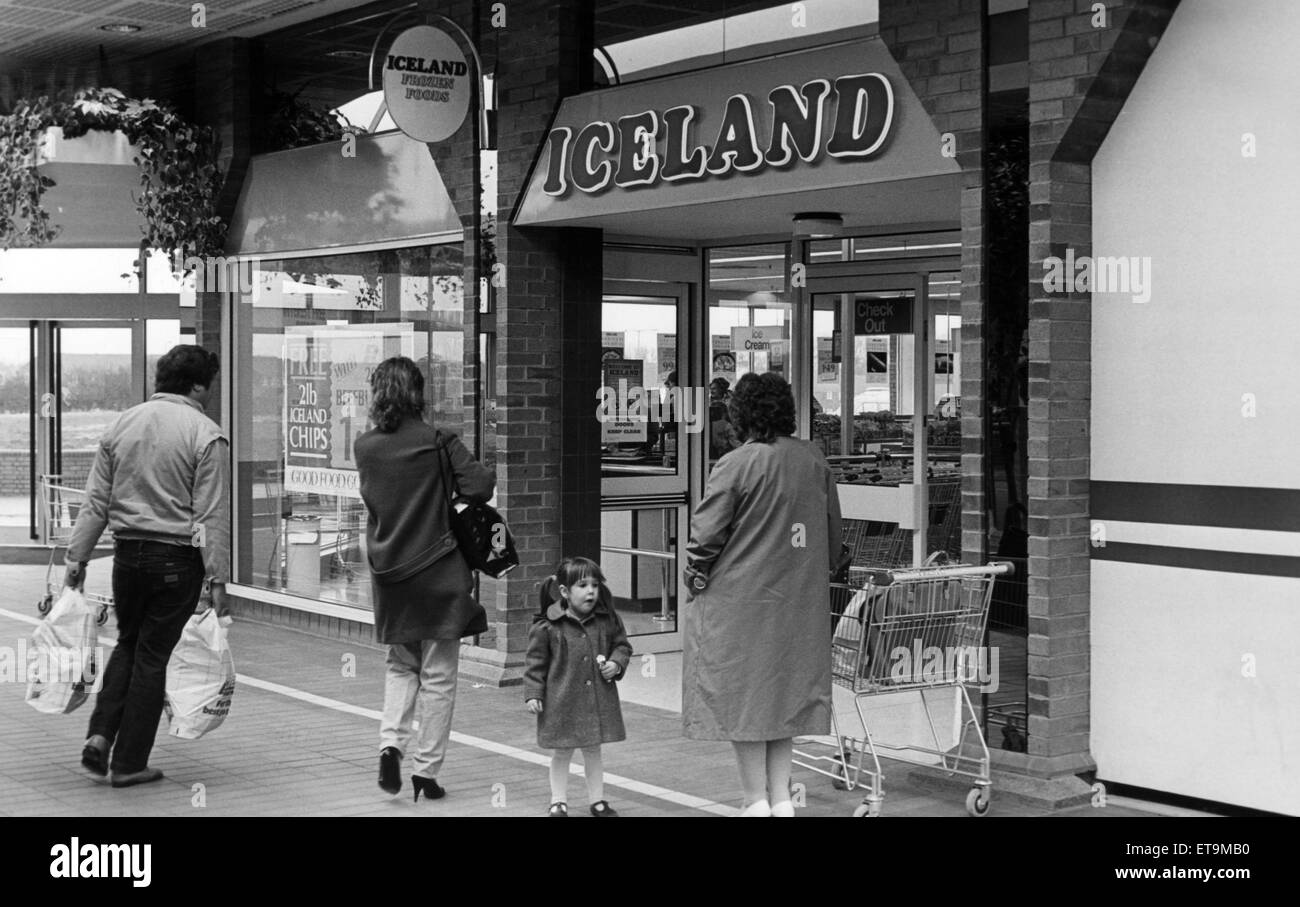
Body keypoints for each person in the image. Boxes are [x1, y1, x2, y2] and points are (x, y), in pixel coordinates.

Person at [67, 344, 230, 788]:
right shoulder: (205, 433)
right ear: (198, 385)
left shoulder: (122, 424)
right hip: (175, 559)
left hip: (126, 556)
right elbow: (210, 514)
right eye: (210, 383)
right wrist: (217, 578)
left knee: (127, 644)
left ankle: (99, 737)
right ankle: (129, 763)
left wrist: (77, 558)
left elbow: (96, 501)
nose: (211, 391)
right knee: (153, 657)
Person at [682, 372, 843, 817]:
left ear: (740, 416)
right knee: (784, 697)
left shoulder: (734, 464)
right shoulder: (814, 459)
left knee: (743, 699)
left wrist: (695, 576)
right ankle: (780, 797)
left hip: (741, 601)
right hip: (798, 601)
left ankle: (754, 799)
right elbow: (832, 536)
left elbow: (706, 537)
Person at [355, 356, 495, 802]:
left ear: (378, 394)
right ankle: (426, 772)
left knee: (401, 665)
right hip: (438, 573)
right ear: (419, 393)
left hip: (391, 575)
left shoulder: (365, 447)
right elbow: (481, 486)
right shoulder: (439, 441)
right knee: (438, 675)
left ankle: (390, 744)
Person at [524, 557, 632, 817]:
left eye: (595, 584)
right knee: (562, 751)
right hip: (561, 700)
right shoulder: (547, 625)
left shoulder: (607, 620)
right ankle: (558, 801)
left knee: (593, 751)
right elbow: (535, 663)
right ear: (564, 591)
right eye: (583, 585)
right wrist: (533, 693)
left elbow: (622, 646)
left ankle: (598, 801)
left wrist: (616, 664)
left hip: (596, 700)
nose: (591, 591)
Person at [708, 377, 741, 459]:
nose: (711, 391)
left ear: (721, 389)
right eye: (710, 389)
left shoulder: (731, 399)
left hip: (731, 426)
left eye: (714, 388)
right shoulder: (707, 401)